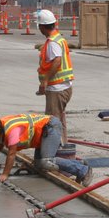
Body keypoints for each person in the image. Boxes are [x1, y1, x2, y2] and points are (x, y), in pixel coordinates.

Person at [0, 113, 92, 185]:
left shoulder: (12, 131)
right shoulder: (1, 125)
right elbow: (0, 140)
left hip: (50, 127)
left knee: (46, 162)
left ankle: (84, 170)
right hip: (42, 133)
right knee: (38, 165)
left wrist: (5, 174)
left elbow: (11, 154)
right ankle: (80, 163)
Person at [35, 9, 74, 144]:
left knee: (52, 122)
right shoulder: (59, 39)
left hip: (57, 89)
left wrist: (45, 81)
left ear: (42, 26)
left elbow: (57, 61)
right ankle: (63, 145)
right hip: (63, 87)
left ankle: (55, 151)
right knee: (59, 119)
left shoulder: (52, 42)